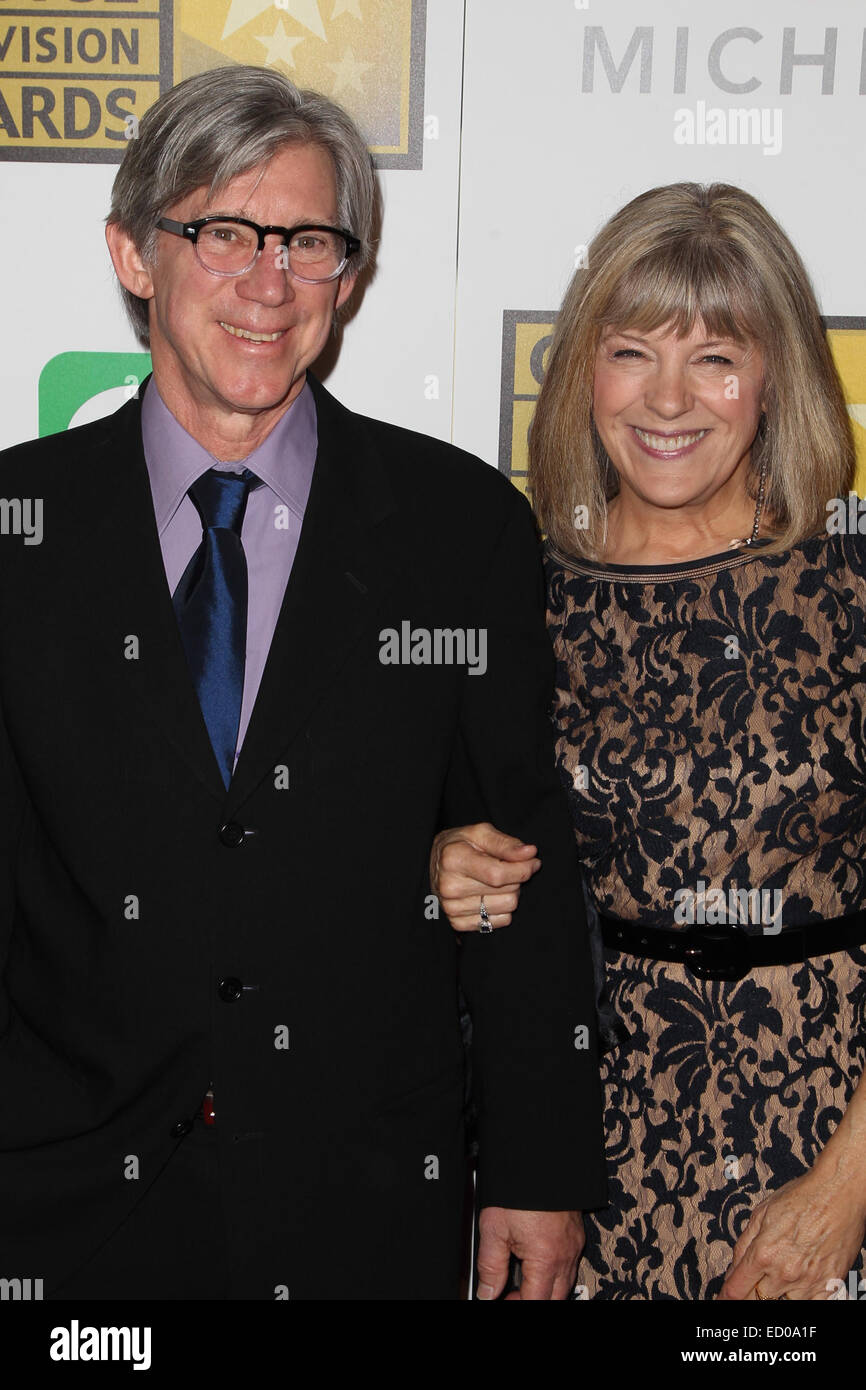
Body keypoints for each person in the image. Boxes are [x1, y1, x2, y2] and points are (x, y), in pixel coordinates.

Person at [0, 66, 605, 1301]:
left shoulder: (458, 530)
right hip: (62, 1204)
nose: (268, 282)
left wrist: (536, 1168)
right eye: (223, 232)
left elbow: (517, 866)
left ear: (351, 272)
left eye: (310, 241)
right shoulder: (20, 527)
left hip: (361, 1200)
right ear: (133, 254)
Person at [431, 182, 866, 1300]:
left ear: (774, 384)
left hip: (828, 1151)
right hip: (577, 1169)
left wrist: (839, 1194)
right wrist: (434, 864)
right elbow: (384, 846)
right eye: (631, 352)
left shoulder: (848, 596)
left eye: (716, 357)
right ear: (581, 369)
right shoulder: (508, 601)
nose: (667, 399)